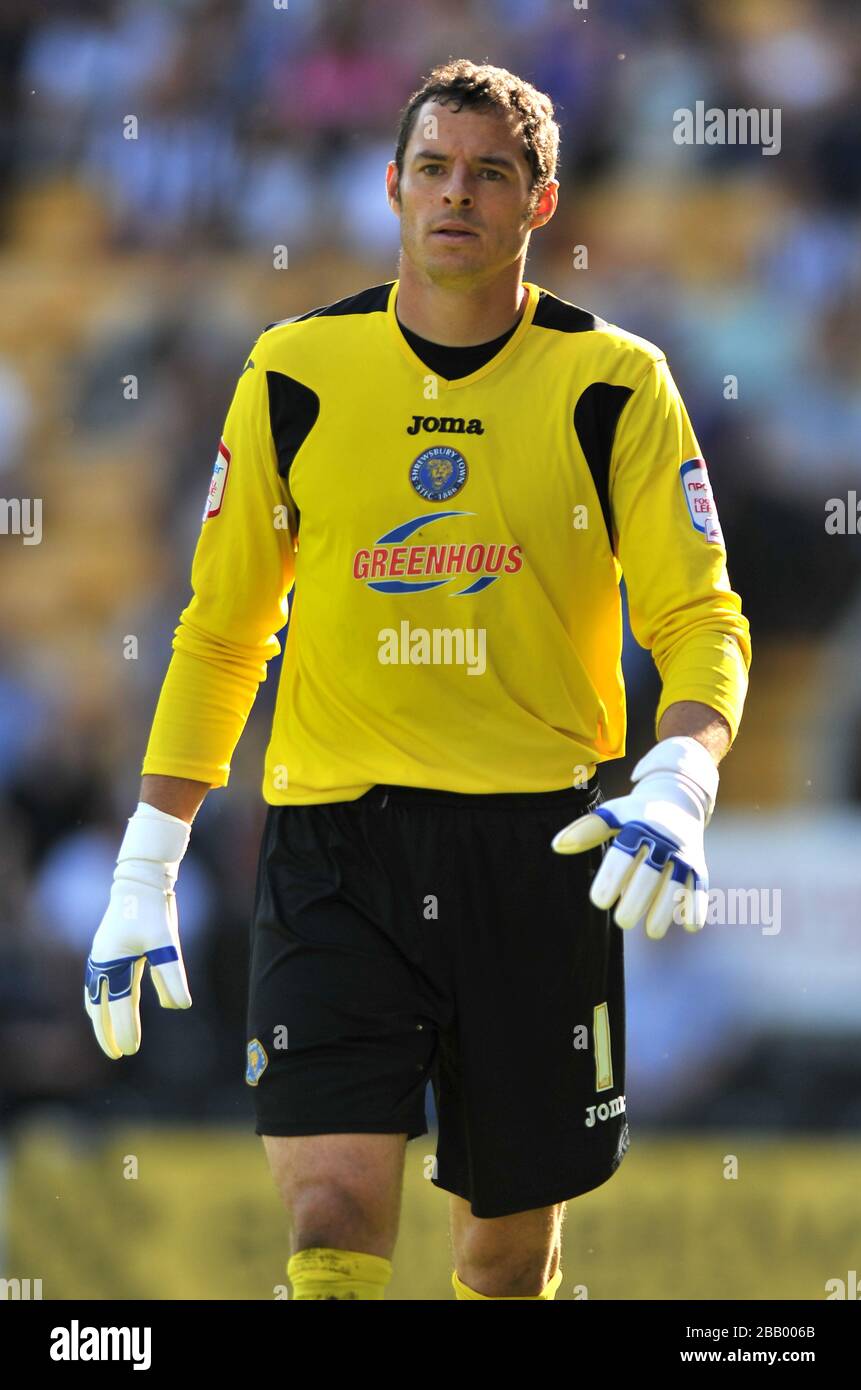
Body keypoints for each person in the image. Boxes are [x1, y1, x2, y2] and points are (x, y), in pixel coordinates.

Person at [84, 60, 751, 1301]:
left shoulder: (616, 385)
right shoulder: (293, 372)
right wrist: (146, 860)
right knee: (331, 1208)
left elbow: (698, 609)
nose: (458, 196)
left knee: (503, 1257)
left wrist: (682, 771)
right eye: (434, 170)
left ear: (538, 205)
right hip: (336, 844)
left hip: (541, 846)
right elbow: (223, 629)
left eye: (491, 174)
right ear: (391, 188)